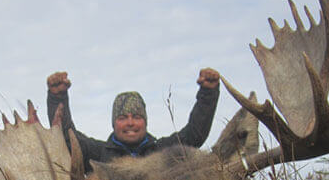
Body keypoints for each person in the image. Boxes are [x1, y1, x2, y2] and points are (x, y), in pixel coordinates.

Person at [46, 68, 220, 173]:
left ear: (145, 122)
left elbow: (194, 135)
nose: (130, 123)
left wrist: (208, 93)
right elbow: (68, 139)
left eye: (136, 117)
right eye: (122, 118)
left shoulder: (161, 151)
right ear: (114, 123)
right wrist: (57, 97)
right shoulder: (98, 155)